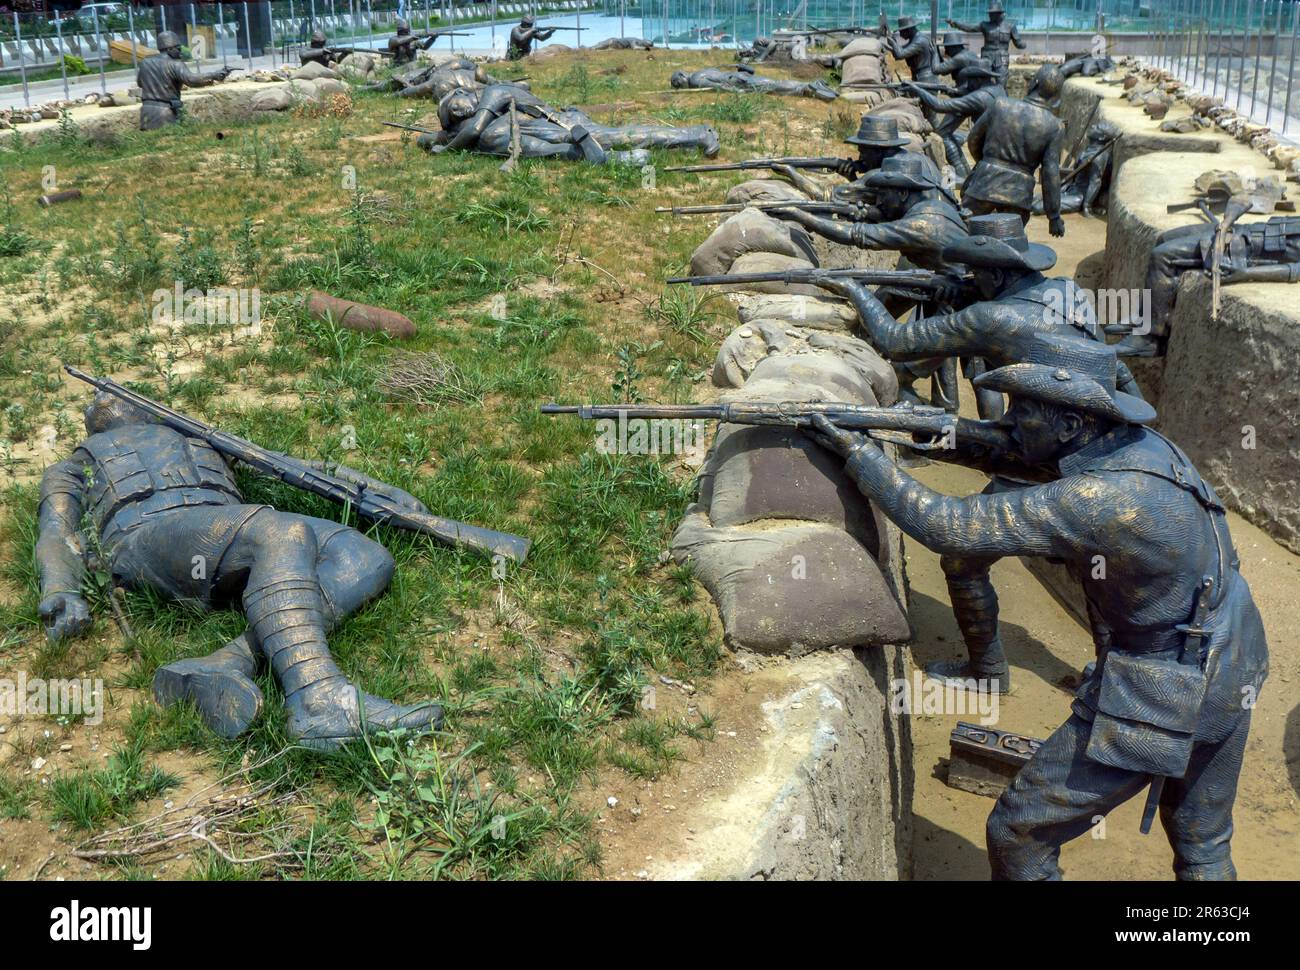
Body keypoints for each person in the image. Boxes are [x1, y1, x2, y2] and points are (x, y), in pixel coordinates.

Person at [801, 346, 1267, 881]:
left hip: (1167, 691)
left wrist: (859, 455)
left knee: (1019, 832)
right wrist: (929, 433)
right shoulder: (1143, 449)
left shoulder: (1098, 500)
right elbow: (1018, 452)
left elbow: (950, 526)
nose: (1007, 424)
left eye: (1020, 413)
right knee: (1203, 843)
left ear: (1071, 422)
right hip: (1233, 659)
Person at [36, 393, 443, 749]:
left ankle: (228, 661)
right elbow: (56, 531)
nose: (99, 399)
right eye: (91, 402)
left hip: (221, 524)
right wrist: (61, 589)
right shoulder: (74, 465)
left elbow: (297, 466)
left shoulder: (197, 437)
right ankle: (317, 699)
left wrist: (375, 490)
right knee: (280, 531)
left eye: (116, 393)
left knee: (364, 556)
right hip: (147, 538)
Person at [1113, 199, 1300, 358]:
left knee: (1162, 257)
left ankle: (1150, 339)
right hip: (1240, 230)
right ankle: (1145, 314)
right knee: (1164, 238)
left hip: (1242, 250)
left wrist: (1245, 274)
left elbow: (1294, 270)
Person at [424, 85, 720, 163]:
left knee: (619, 136)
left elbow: (474, 131)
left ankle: (696, 134)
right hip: (547, 130)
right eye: (453, 118)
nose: (460, 114)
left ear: (463, 94)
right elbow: (464, 131)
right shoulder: (486, 116)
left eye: (455, 107)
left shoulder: (494, 93)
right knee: (589, 146)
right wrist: (432, 139)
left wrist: (445, 148)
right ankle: (613, 160)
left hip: (563, 122)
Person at [964, 64, 1065, 235]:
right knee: (1009, 246)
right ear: (1056, 96)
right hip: (1018, 195)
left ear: (1034, 83)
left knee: (964, 233)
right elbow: (1050, 174)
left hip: (983, 184)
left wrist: (985, 164)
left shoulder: (1000, 105)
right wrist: (1053, 216)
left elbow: (973, 139)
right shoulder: (1055, 127)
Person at [907, 61, 1006, 178]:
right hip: (999, 144)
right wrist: (955, 92)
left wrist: (917, 89)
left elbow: (940, 105)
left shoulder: (979, 97)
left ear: (979, 79)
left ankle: (959, 176)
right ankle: (964, 175)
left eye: (970, 80)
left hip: (990, 151)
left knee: (942, 135)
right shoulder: (998, 89)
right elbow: (969, 94)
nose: (967, 84)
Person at [136, 30, 231, 131]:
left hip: (146, 111)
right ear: (170, 49)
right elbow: (191, 80)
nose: (180, 52)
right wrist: (214, 75)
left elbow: (140, 83)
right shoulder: (175, 64)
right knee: (168, 141)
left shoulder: (145, 62)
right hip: (165, 112)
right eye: (178, 48)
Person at [947, 0, 1026, 82]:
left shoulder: (1010, 27)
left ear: (999, 13)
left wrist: (1022, 44)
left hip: (1002, 58)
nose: (990, 15)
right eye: (989, 13)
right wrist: (955, 23)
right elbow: (969, 28)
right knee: (982, 81)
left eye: (992, 13)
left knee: (1001, 81)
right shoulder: (984, 25)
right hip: (987, 57)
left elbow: (1018, 43)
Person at [668, 66, 838, 101]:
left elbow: (719, 87)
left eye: (677, 82)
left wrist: (736, 92)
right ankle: (807, 86)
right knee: (774, 84)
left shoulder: (696, 80)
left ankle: (807, 88)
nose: (678, 86)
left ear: (683, 75)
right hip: (738, 77)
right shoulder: (701, 71)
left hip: (739, 82)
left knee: (773, 86)